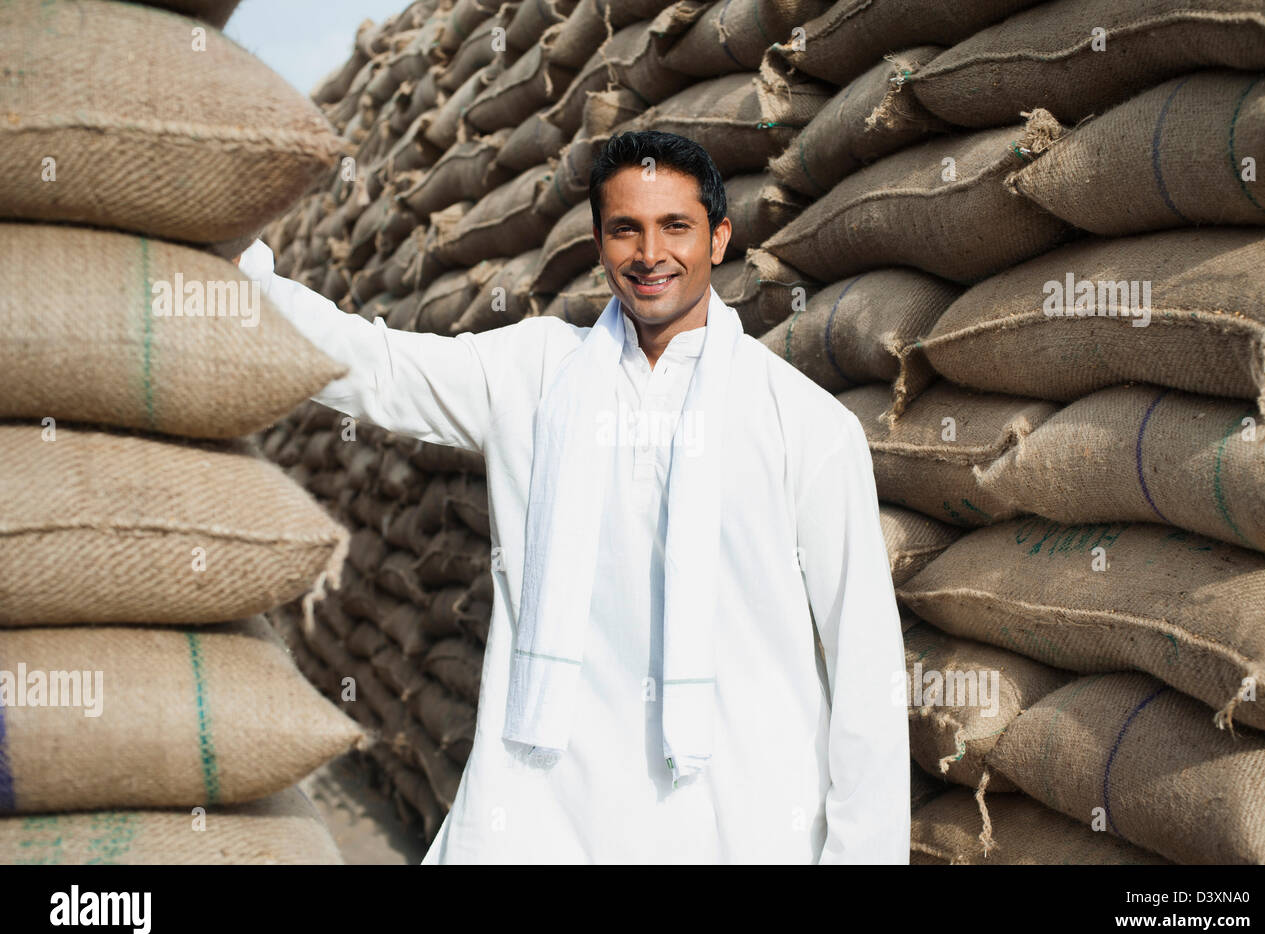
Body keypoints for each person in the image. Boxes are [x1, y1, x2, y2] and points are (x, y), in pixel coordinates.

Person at [237, 130, 909, 864]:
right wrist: (242, 278)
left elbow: (865, 667)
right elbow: (380, 366)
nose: (650, 253)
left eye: (675, 227)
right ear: (598, 242)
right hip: (551, 804)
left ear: (720, 238)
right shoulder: (536, 373)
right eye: (626, 228)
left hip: (736, 819)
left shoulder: (803, 425)